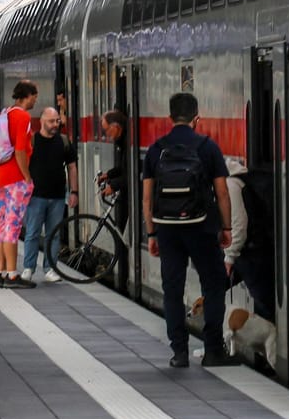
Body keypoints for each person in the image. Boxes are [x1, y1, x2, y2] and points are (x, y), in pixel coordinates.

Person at [143, 93, 232, 368]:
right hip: (202, 227)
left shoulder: (157, 148)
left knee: (172, 288)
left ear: (170, 118)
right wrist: (226, 227)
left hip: (168, 230)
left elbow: (147, 198)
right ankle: (213, 349)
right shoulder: (208, 147)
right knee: (214, 285)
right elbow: (222, 192)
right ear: (197, 117)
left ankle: (179, 352)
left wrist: (152, 233)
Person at [220, 156, 277, 363]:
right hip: (247, 253)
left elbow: (239, 225)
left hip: (252, 255)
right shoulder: (230, 181)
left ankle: (271, 359)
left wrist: (229, 258)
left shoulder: (231, 185)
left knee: (265, 307)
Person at [0, 80, 38, 289]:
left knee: (2, 225)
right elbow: (20, 150)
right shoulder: (23, 116)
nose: (36, 100)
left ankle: (1, 272)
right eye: (35, 96)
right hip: (15, 178)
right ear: (28, 96)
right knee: (13, 225)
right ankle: (12, 275)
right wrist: (26, 176)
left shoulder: (5, 114)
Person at [20, 107, 76, 283]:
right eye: (51, 121)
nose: (55, 125)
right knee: (32, 233)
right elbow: (22, 163)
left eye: (57, 121)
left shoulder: (64, 141)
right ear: (42, 121)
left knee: (54, 234)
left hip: (58, 196)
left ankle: (50, 268)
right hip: (36, 195)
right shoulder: (33, 140)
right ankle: (28, 268)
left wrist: (74, 191)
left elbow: (72, 167)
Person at [98, 110, 130, 228]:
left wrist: (113, 185)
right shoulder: (123, 140)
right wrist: (109, 175)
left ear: (116, 127)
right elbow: (124, 168)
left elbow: (131, 174)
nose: (106, 134)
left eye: (106, 130)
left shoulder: (129, 142)